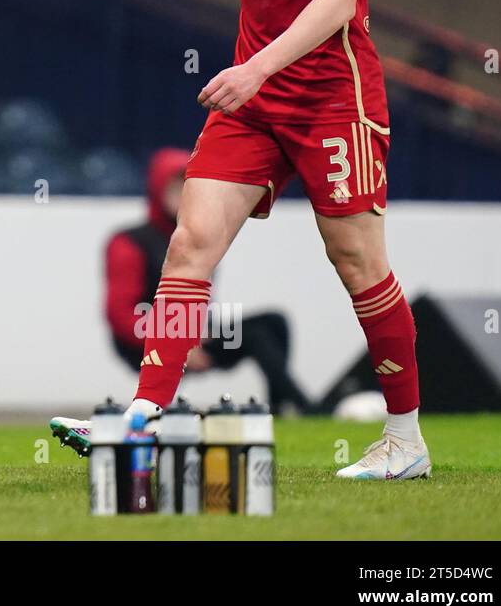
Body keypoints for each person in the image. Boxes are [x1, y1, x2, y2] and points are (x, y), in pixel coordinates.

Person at [50, 0, 429, 481]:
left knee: (357, 261)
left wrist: (256, 65)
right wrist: (254, 75)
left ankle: (405, 438)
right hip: (256, 100)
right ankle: (143, 422)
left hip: (332, 96)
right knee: (190, 241)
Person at [52, 148, 313, 449]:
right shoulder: (129, 242)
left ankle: (278, 410)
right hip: (144, 339)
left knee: (272, 323)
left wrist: (196, 333)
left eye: (189, 184)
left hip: (192, 332)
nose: (183, 193)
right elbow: (120, 313)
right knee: (256, 336)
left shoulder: (202, 237)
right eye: (175, 185)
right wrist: (178, 341)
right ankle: (308, 408)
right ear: (157, 188)